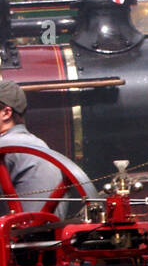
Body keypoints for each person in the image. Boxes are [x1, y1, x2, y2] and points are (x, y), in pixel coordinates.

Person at [0, 80, 96, 220]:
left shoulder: (6, 145)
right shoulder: (37, 143)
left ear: (6, 113)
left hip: (20, 236)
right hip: (49, 233)